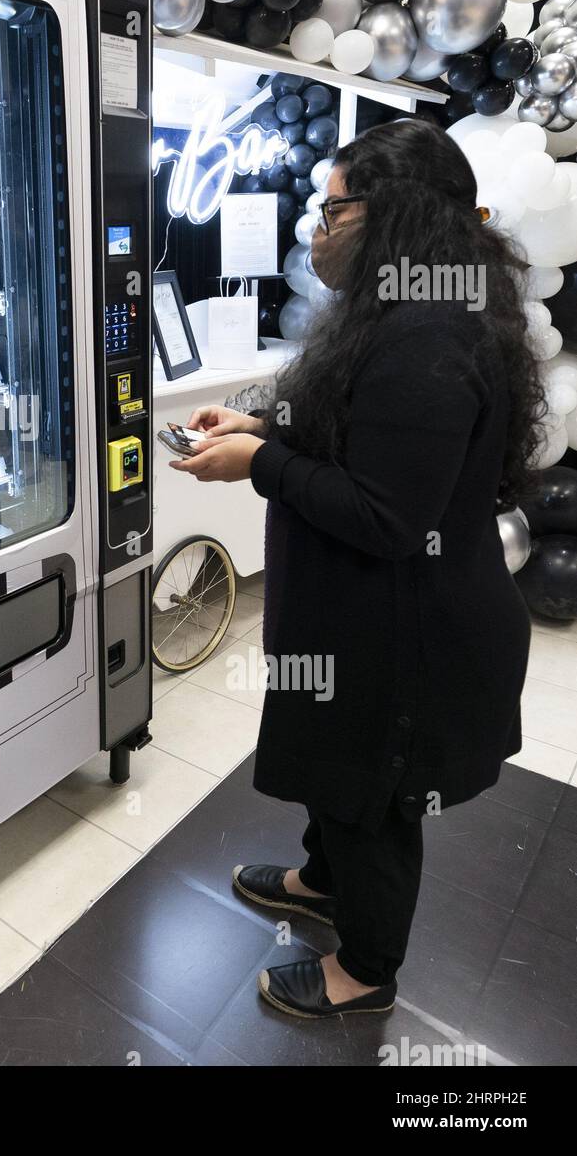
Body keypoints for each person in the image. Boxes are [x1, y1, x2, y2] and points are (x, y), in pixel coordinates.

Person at [170, 118, 544, 1018]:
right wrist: (263, 427)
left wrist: (256, 465)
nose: (316, 227)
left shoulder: (426, 337)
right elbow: (353, 432)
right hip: (361, 619)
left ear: (389, 215)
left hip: (409, 634)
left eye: (331, 209)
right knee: (336, 771)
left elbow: (383, 514)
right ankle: (320, 881)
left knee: (375, 796)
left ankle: (365, 972)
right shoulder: (403, 314)